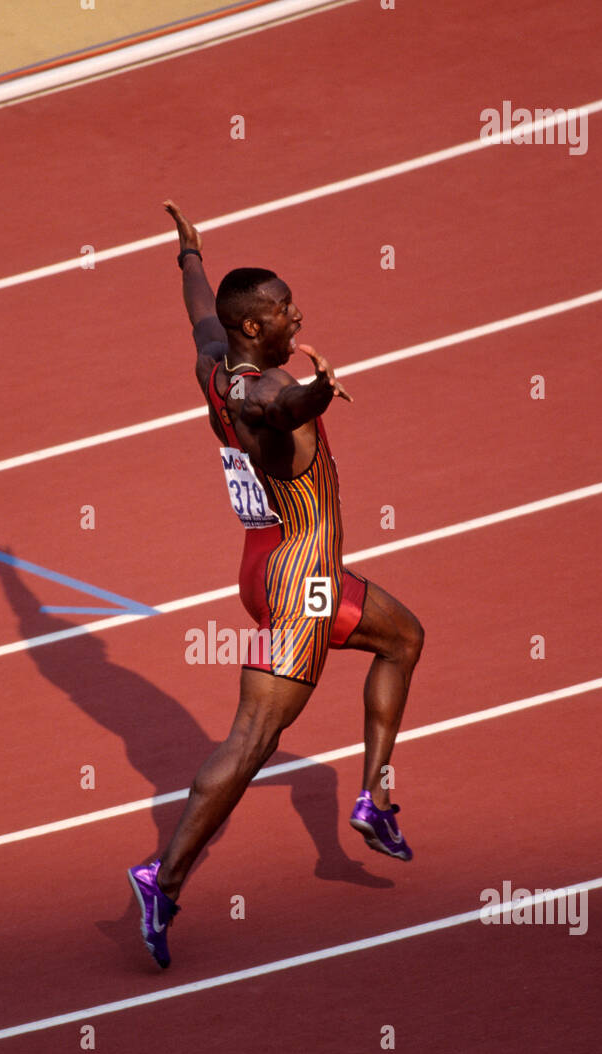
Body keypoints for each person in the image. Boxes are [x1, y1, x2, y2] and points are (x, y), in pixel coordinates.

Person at [129, 201, 424, 967]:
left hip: (272, 562)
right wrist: (321, 390)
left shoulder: (214, 364)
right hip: (302, 582)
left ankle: (375, 798)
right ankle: (163, 875)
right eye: (287, 312)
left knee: (403, 637)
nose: (299, 317)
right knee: (255, 737)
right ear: (258, 328)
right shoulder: (269, 393)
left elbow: (202, 315)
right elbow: (283, 402)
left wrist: (190, 256)